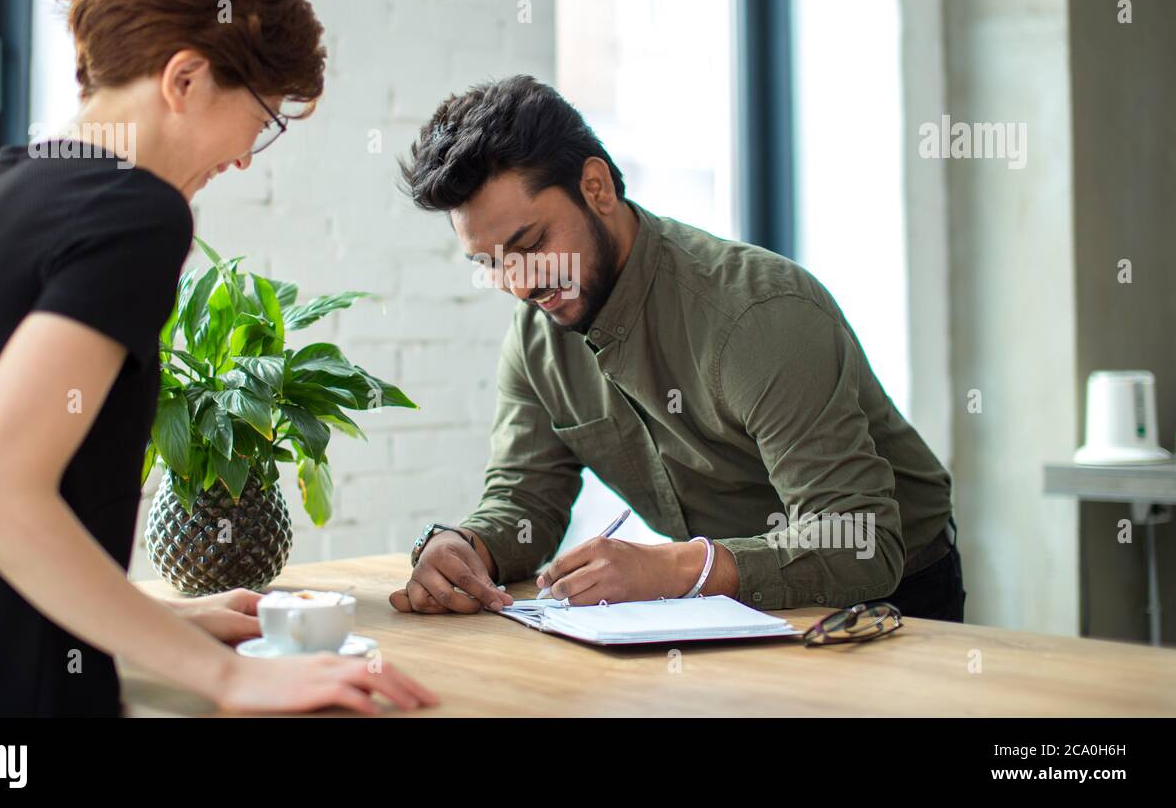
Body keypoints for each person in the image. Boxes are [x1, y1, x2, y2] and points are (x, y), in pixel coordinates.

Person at [0, 0, 436, 716]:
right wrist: (236, 677)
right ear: (185, 78)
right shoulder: (136, 212)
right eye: (264, 119)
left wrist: (160, 619)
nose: (245, 158)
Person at [392, 75, 965, 623]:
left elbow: (858, 540)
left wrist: (671, 567)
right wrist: (465, 546)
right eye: (490, 263)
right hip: (722, 606)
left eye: (531, 244)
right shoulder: (536, 333)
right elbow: (524, 498)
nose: (518, 285)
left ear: (597, 188)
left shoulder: (757, 314)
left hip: (893, 597)